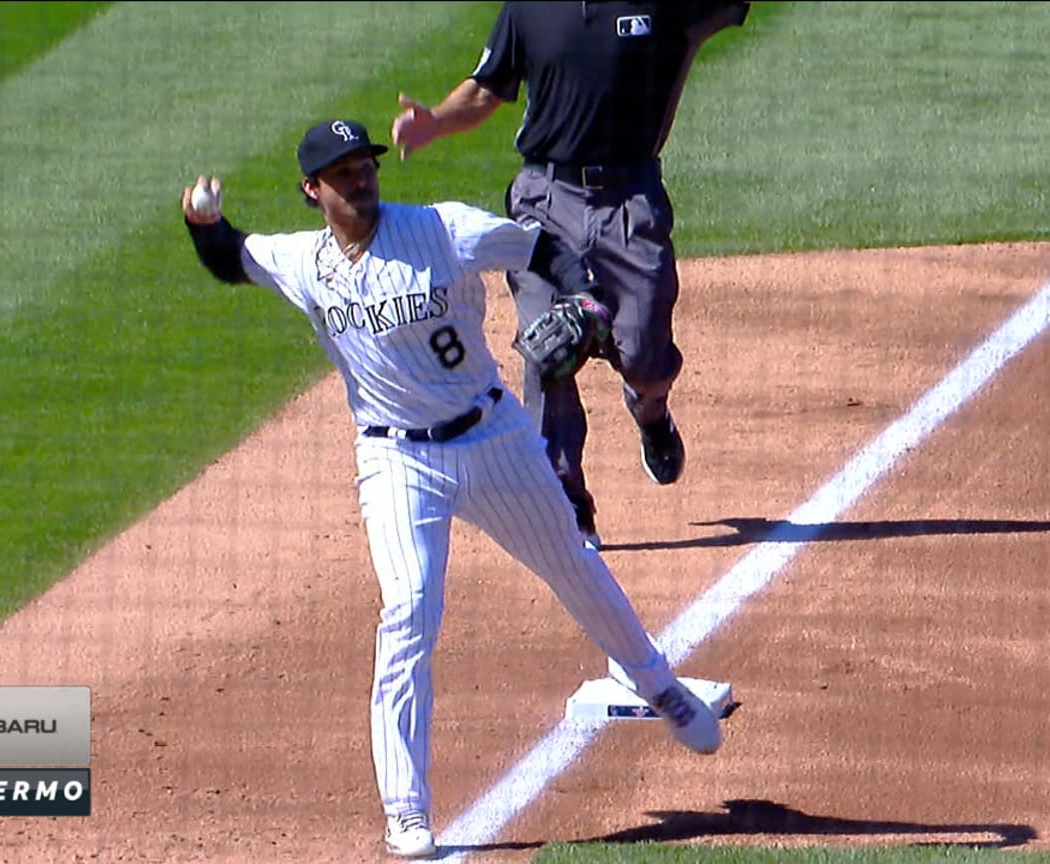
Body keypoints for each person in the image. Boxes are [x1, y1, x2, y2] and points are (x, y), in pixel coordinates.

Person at [180, 118, 722, 861]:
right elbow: (231, 258)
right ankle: (407, 812)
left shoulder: (442, 230)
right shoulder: (302, 261)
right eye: (342, 173)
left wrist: (589, 299)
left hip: (493, 438)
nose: (360, 178)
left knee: (572, 562)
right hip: (396, 463)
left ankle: (659, 685)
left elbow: (546, 250)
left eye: (365, 164)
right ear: (313, 190)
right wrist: (199, 222)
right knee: (407, 612)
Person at [390, 1, 751, 548]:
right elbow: (486, 88)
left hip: (631, 200)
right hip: (545, 199)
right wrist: (435, 121)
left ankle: (650, 409)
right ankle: (567, 508)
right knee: (548, 349)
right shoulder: (529, 8)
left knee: (646, 359)